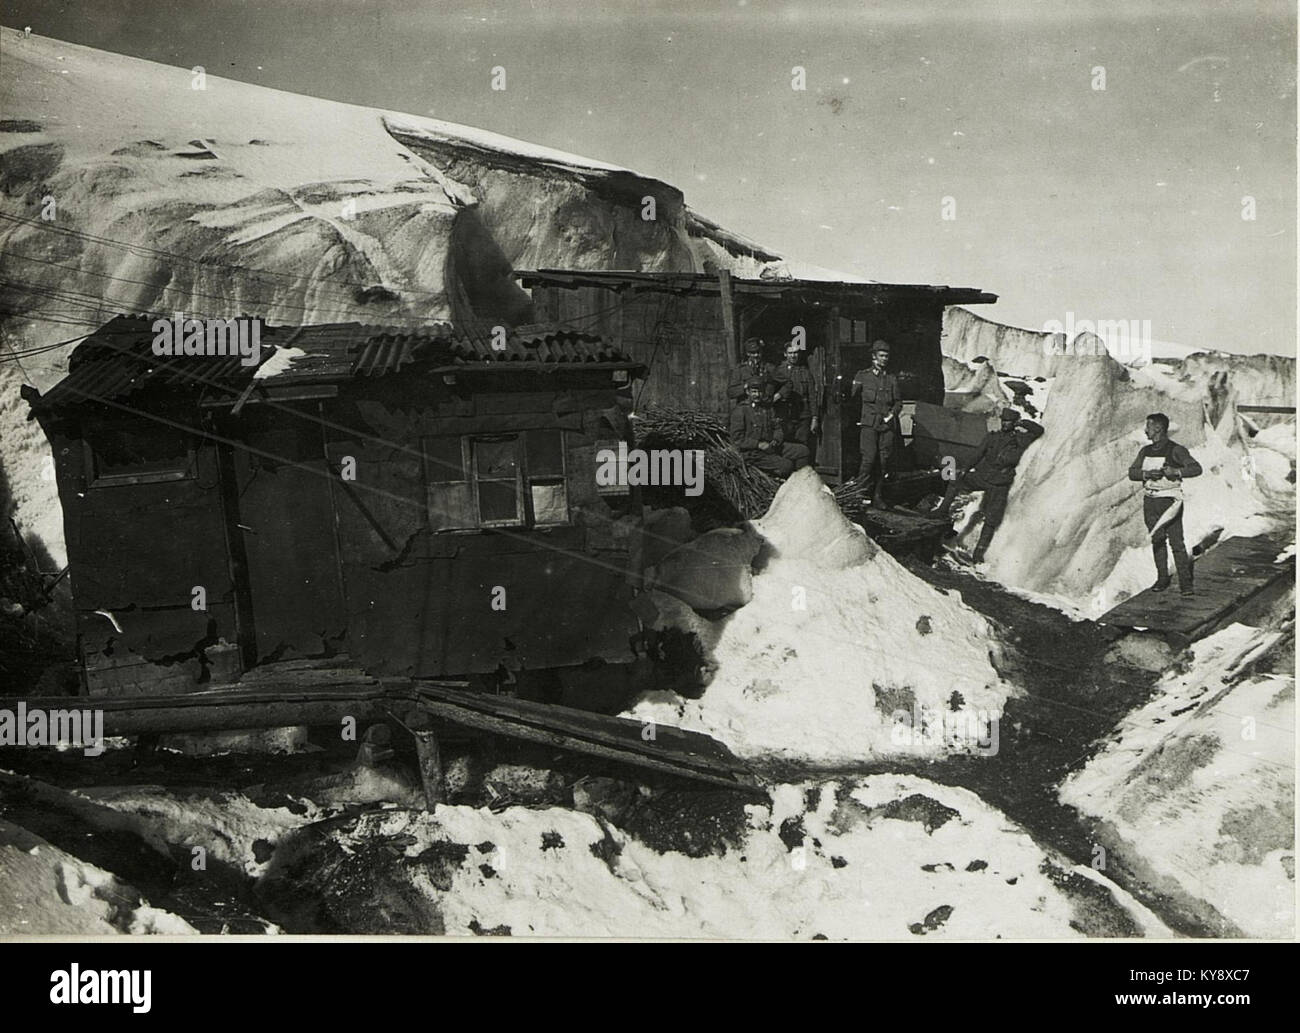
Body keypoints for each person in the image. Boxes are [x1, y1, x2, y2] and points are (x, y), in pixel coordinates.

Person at [931, 407, 1044, 563]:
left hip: (1000, 482)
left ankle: (979, 552)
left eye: (1009, 422)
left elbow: (1039, 430)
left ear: (1014, 423)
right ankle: (942, 510)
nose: (1005, 424)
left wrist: (1022, 422)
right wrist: (965, 468)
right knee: (955, 480)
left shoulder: (1020, 439)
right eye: (1003, 421)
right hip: (983, 476)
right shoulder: (992, 438)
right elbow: (977, 454)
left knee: (992, 518)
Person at [1127, 412, 1202, 595]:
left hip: (1169, 501)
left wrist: (1176, 471)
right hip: (1151, 501)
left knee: (1176, 542)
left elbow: (1196, 468)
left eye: (1148, 427)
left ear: (1158, 428)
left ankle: (1186, 584)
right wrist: (1146, 475)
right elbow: (1132, 472)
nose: (1146, 431)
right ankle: (1162, 578)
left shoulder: (1176, 450)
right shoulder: (1145, 451)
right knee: (1157, 540)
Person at [847, 340, 901, 509]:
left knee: (884, 461)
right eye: (881, 356)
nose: (884, 359)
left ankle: (878, 496)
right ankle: (859, 494)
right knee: (868, 459)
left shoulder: (891, 379)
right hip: (869, 424)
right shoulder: (862, 376)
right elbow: (852, 400)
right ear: (873, 357)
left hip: (886, 426)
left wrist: (891, 415)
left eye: (887, 356)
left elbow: (899, 402)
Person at [729, 378, 811, 478]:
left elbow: (777, 428)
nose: (757, 395)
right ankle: (772, 478)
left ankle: (802, 482)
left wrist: (776, 439)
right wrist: (758, 445)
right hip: (753, 453)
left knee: (803, 451)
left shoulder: (768, 409)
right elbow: (737, 439)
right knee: (787, 466)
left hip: (771, 447)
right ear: (747, 392)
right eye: (754, 391)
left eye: (760, 391)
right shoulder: (741, 410)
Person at [772, 341, 824, 455]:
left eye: (795, 352)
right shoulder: (778, 371)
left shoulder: (805, 372)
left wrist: (814, 418)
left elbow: (812, 397)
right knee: (786, 447)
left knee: (802, 447)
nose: (793, 355)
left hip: (803, 416)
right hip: (786, 415)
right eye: (790, 353)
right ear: (785, 354)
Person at [727, 338, 777, 404]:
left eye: (758, 352)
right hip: (746, 407)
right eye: (753, 353)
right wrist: (745, 386)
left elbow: (784, 384)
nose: (756, 355)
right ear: (748, 353)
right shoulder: (740, 369)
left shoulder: (770, 368)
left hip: (765, 407)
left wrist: (776, 396)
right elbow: (731, 392)